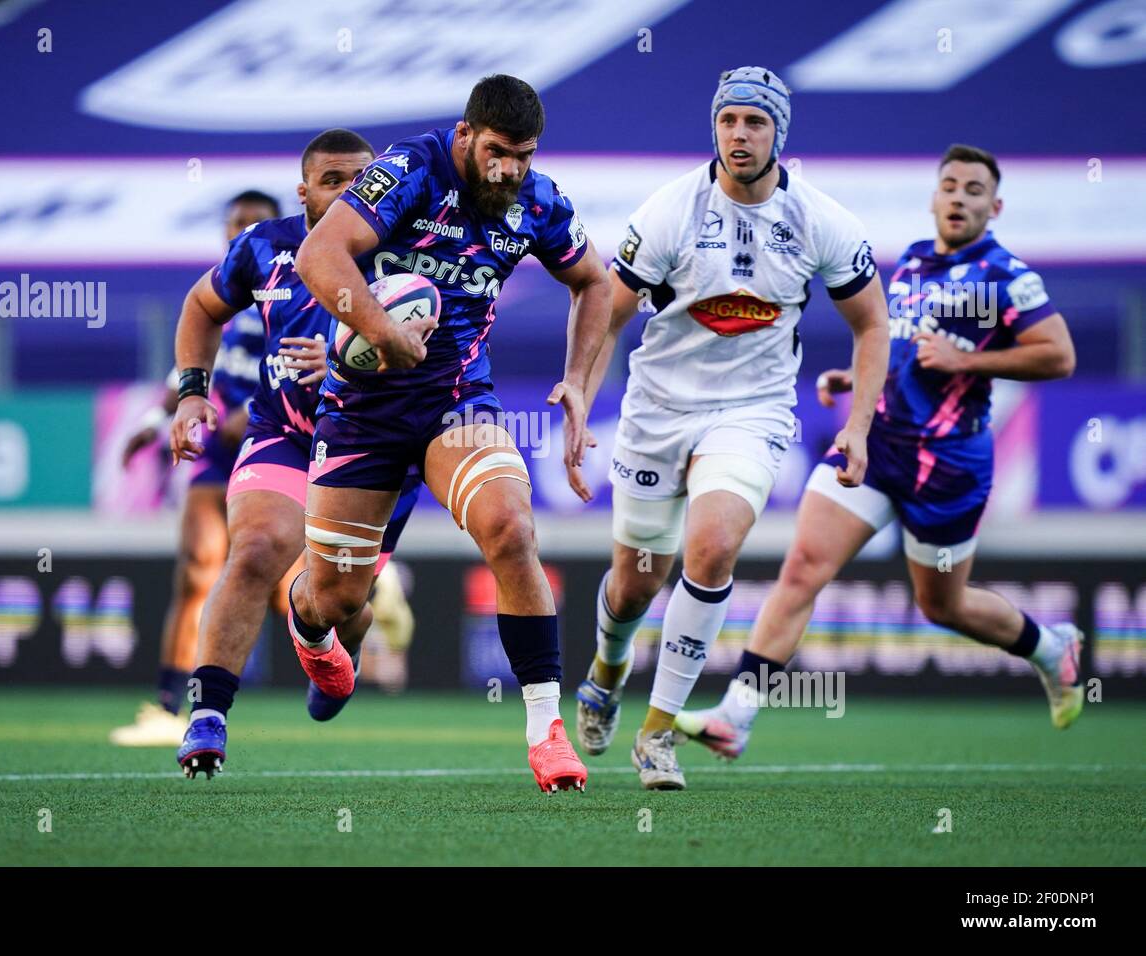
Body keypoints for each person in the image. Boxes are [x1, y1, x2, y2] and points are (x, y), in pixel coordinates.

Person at [677, 143, 1082, 760]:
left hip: (948, 466)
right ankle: (737, 714)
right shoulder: (915, 261)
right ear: (934, 197)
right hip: (876, 442)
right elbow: (893, 344)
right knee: (804, 566)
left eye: (975, 190)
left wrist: (967, 360)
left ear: (993, 207)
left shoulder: (1009, 277)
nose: (959, 197)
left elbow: (1059, 355)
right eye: (950, 185)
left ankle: (1050, 648)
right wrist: (854, 379)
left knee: (941, 604)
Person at [287, 74, 612, 793]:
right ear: (465, 135)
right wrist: (382, 329)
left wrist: (580, 384)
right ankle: (308, 629)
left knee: (512, 530)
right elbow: (319, 257)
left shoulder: (538, 200)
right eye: (498, 152)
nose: (510, 170)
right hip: (363, 406)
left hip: (455, 401)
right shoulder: (409, 171)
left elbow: (597, 282)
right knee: (337, 600)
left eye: (524, 155)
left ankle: (545, 731)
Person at [571, 66, 890, 790]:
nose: (739, 135)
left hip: (753, 411)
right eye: (728, 121)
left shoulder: (822, 221)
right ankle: (606, 667)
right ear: (714, 127)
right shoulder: (668, 211)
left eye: (754, 122)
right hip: (658, 408)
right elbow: (608, 312)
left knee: (711, 551)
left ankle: (657, 736)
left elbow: (873, 325)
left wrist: (860, 429)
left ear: (780, 133)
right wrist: (581, 398)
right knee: (633, 584)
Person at [169, 130, 422, 778]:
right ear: (303, 191)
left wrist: (349, 357)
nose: (351, 192)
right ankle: (208, 713)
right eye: (334, 180)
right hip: (284, 431)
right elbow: (201, 306)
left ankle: (335, 650)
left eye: (363, 179)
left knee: (339, 602)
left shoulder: (414, 245)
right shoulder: (263, 247)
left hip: (374, 441)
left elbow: (440, 351)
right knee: (253, 550)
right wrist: (192, 395)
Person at [109, 190, 278, 746]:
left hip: (279, 438)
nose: (243, 231)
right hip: (217, 447)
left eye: (256, 223)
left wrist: (254, 410)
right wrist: (155, 421)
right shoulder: (223, 294)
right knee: (196, 570)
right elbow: (194, 360)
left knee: (284, 584)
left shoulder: (303, 283)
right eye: (236, 222)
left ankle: (372, 588)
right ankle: (166, 706)